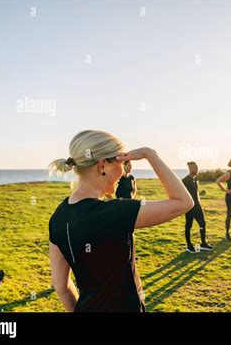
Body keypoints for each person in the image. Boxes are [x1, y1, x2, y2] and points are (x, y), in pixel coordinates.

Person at [48, 130, 194, 312]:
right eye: (122, 164)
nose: (124, 172)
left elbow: (61, 286)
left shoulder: (57, 217)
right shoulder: (115, 212)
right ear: (102, 166)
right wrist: (150, 154)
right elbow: (184, 202)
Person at [182, 161, 214, 253]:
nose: (197, 169)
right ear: (190, 169)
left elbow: (195, 193)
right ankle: (189, 246)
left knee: (202, 223)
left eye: (197, 167)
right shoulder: (185, 181)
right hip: (189, 207)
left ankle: (203, 243)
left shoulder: (196, 179)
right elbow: (182, 194)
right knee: (188, 226)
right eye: (195, 168)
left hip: (198, 206)